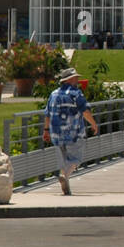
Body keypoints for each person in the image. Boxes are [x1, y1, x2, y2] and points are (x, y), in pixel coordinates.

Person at [41, 67, 98, 195]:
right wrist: (93, 123)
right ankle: (65, 176)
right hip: (74, 133)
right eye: (76, 78)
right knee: (75, 158)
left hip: (55, 132)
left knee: (63, 159)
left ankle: (65, 181)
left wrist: (46, 130)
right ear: (70, 79)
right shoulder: (76, 93)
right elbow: (85, 111)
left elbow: (47, 114)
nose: (77, 80)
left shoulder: (53, 94)